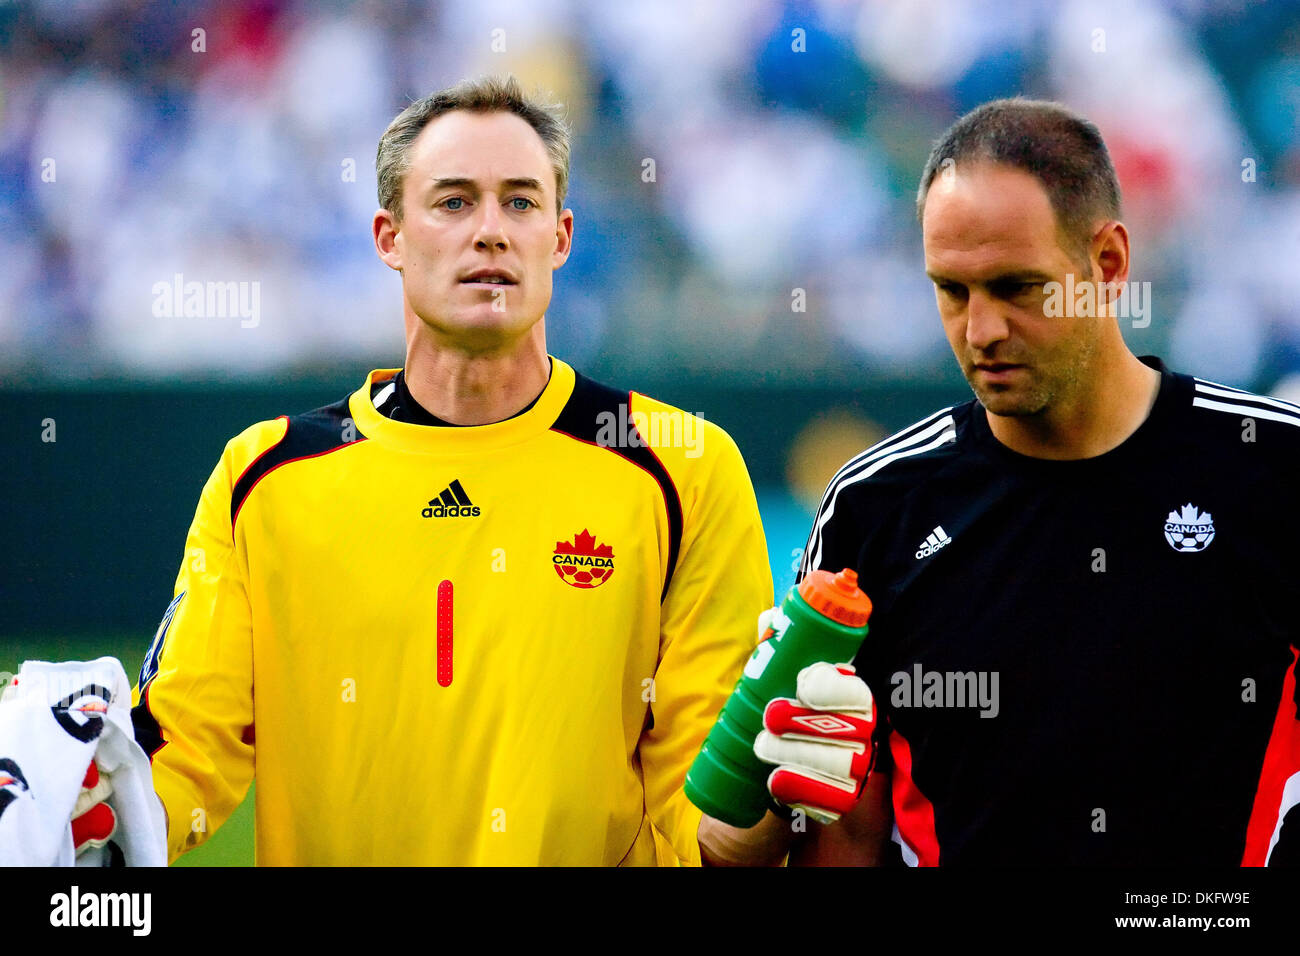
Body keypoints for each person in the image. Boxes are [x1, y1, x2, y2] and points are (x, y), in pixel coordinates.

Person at [128, 75, 772, 865]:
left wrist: (764, 815)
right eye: (455, 202)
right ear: (389, 237)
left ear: (561, 238)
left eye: (522, 203)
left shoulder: (685, 466)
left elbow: (700, 801)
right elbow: (186, 747)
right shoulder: (265, 474)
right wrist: (77, 809)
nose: (491, 231)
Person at [698, 97, 1300, 866]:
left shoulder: (1277, 473)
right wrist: (774, 797)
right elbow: (829, 834)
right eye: (952, 290)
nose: (981, 331)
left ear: (1107, 265)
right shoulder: (875, 509)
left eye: (1017, 288)